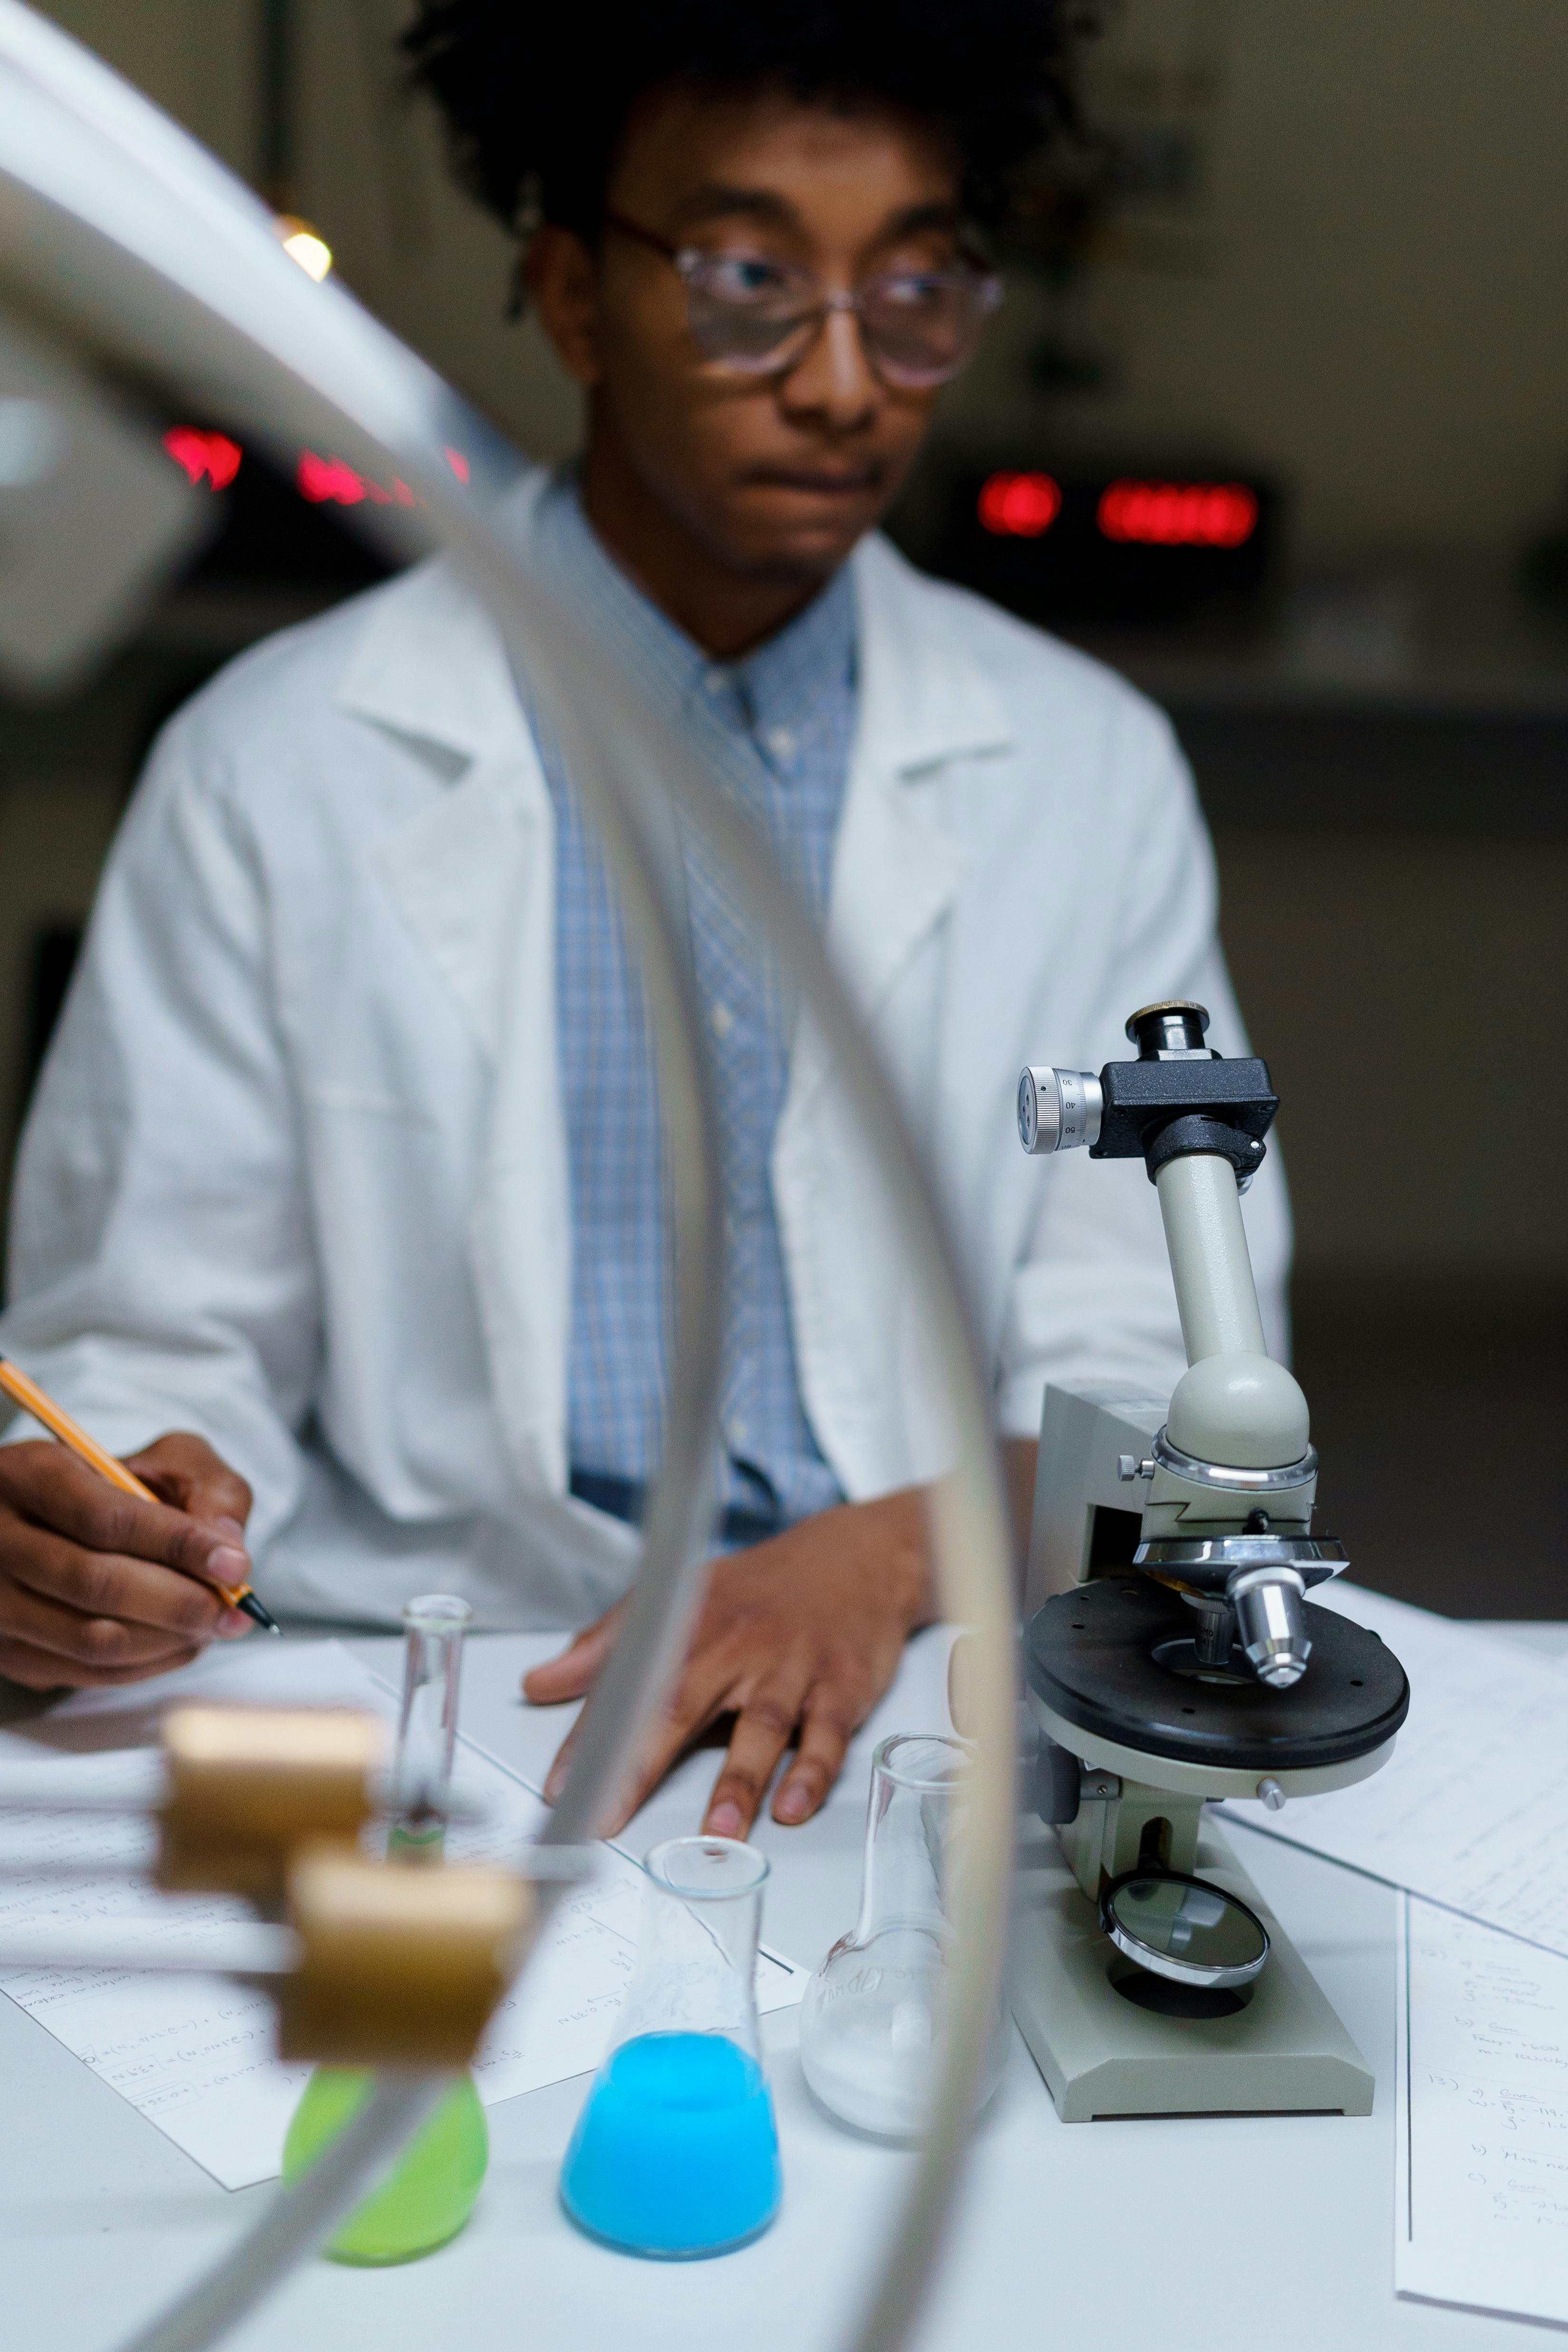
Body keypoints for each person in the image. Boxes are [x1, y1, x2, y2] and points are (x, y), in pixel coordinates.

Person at [0, 0, 1289, 1840]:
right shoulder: (274, 762)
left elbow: (1162, 1375)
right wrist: (127, 1510)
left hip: (922, 1683)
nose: (847, 386)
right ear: (576, 293)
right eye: (753, 279)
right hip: (438, 1685)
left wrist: (877, 1554)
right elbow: (150, 1334)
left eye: (914, 291)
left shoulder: (1086, 771)